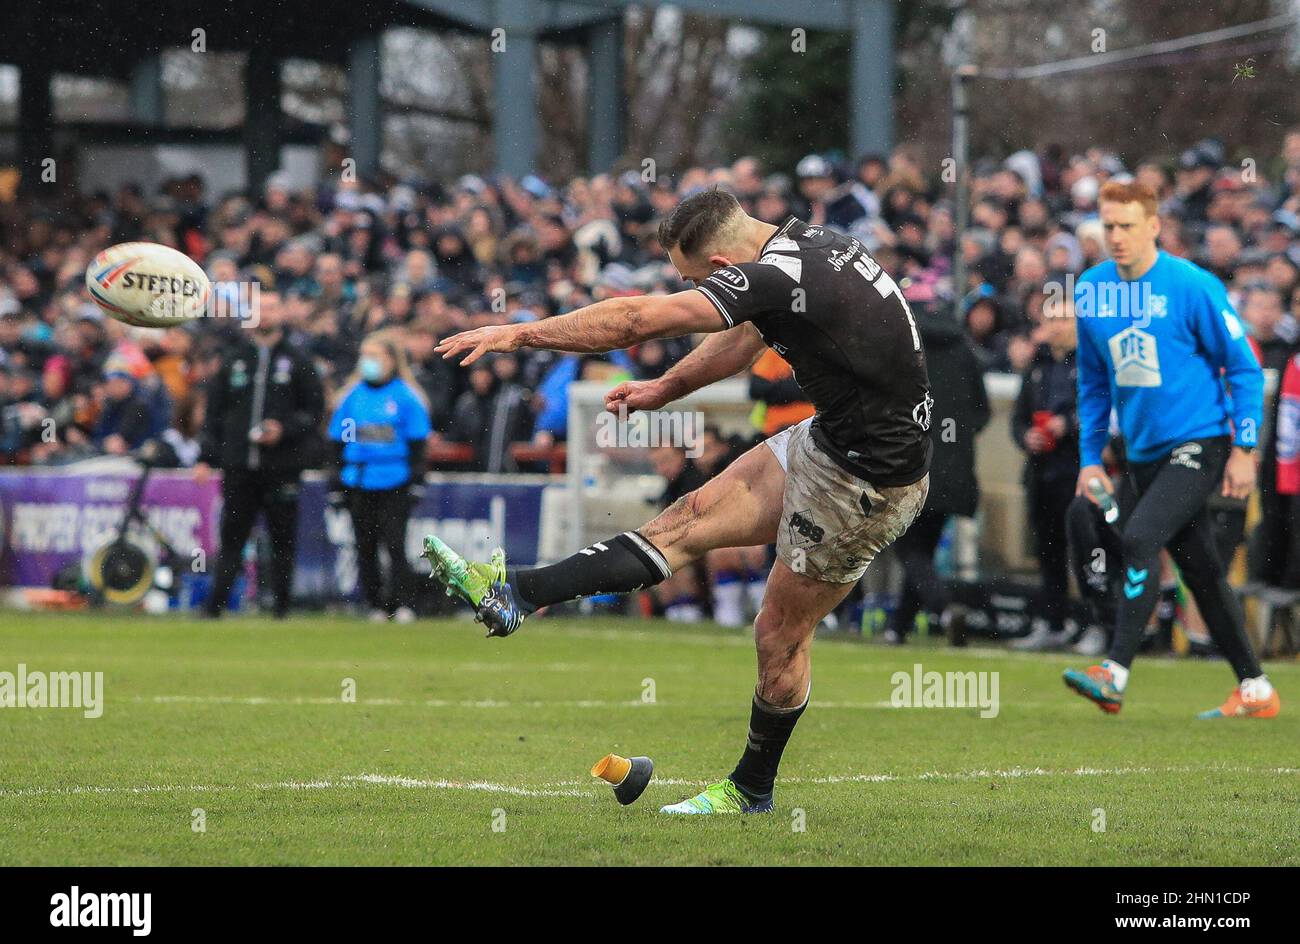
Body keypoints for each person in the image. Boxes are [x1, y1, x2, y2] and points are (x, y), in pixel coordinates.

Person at [424, 188, 931, 814]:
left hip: (867, 480)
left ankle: (750, 791)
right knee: (684, 521)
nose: (688, 286)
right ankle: (516, 595)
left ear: (719, 266)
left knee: (778, 633)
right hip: (831, 440)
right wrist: (668, 386)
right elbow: (747, 339)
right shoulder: (808, 245)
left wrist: (520, 334)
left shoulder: (777, 272)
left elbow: (636, 319)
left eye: (691, 279)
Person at [1064, 181, 1278, 718]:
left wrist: (1245, 448)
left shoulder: (1191, 285)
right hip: (1141, 455)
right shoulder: (1090, 290)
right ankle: (1255, 689)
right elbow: (1092, 384)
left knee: (1139, 537)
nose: (1116, 236)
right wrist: (1090, 458)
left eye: (1127, 226)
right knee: (1202, 571)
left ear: (1154, 226)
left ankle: (1113, 672)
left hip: (1200, 442)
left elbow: (1245, 368)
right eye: (1108, 225)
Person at [197, 290, 324, 618]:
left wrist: (284, 429)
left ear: (282, 313)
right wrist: (206, 456)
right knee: (232, 537)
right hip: (239, 466)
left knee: (283, 539)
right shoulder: (233, 358)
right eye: (259, 308)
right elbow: (214, 414)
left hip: (282, 466)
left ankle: (281, 608)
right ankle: (216, 607)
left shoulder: (299, 361)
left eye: (271, 307)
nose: (265, 314)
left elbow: (313, 412)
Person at [883, 298, 989, 646]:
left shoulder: (907, 351)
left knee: (908, 549)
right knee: (921, 552)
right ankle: (898, 626)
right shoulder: (966, 352)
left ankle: (943, 609)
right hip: (956, 473)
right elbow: (982, 413)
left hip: (913, 466)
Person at [329, 331, 432, 622]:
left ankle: (403, 603)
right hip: (358, 481)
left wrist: (416, 483)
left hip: (395, 480)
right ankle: (375, 603)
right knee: (364, 545)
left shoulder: (405, 397)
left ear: (390, 360)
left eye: (373, 356)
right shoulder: (352, 397)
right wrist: (336, 483)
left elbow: (417, 446)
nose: (367, 362)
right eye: (364, 356)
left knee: (395, 544)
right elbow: (337, 443)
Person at [1008, 298, 1080, 650]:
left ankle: (1092, 623)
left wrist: (1068, 425)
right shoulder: (1037, 365)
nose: (1057, 325)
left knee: (1085, 551)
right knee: (1048, 550)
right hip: (1041, 472)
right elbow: (1018, 418)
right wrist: (1027, 437)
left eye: (1064, 318)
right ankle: (1053, 622)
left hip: (1078, 471)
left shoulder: (1090, 365)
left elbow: (1104, 408)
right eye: (1052, 319)